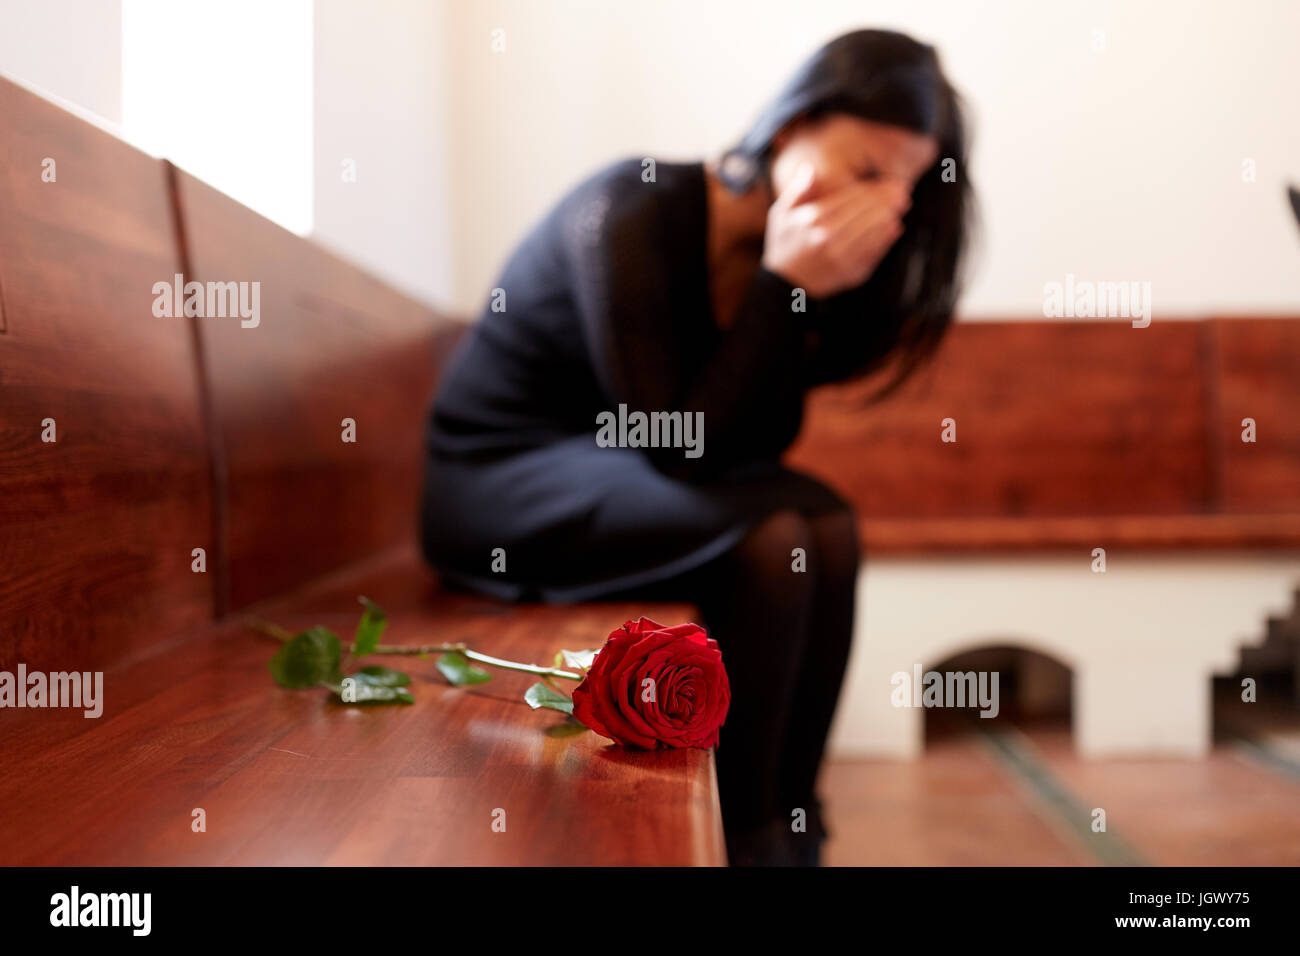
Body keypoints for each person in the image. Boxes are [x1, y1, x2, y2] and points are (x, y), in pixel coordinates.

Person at [420, 28, 973, 866]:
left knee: (824, 519)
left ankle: (792, 822)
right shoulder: (631, 208)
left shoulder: (802, 261)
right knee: (771, 534)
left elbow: (752, 444)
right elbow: (677, 443)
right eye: (866, 169)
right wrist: (784, 287)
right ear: (793, 126)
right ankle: (750, 840)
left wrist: (794, 295)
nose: (887, 206)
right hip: (496, 478)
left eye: (902, 186)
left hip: (620, 476)